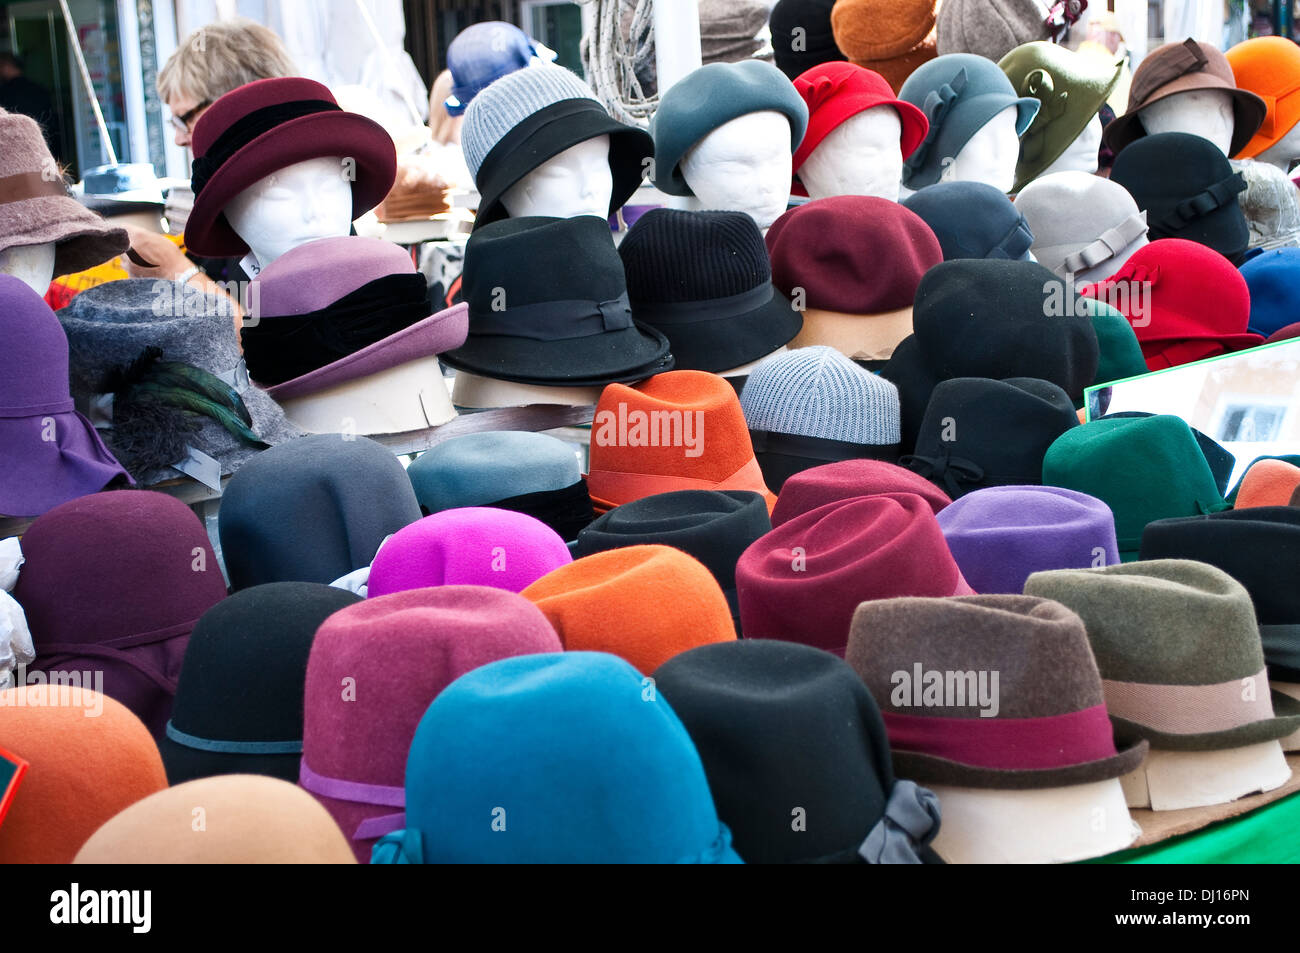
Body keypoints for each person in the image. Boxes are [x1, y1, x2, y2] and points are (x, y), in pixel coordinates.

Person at [126, 19, 297, 297]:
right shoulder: (239, 196)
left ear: (232, 104)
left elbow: (266, 334)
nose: (179, 139)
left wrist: (177, 271)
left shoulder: (287, 197)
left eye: (185, 120)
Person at [0, 52, 59, 158]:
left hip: (17, 148)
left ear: (7, 66)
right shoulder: (40, 90)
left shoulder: (4, 93)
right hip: (43, 142)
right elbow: (51, 121)